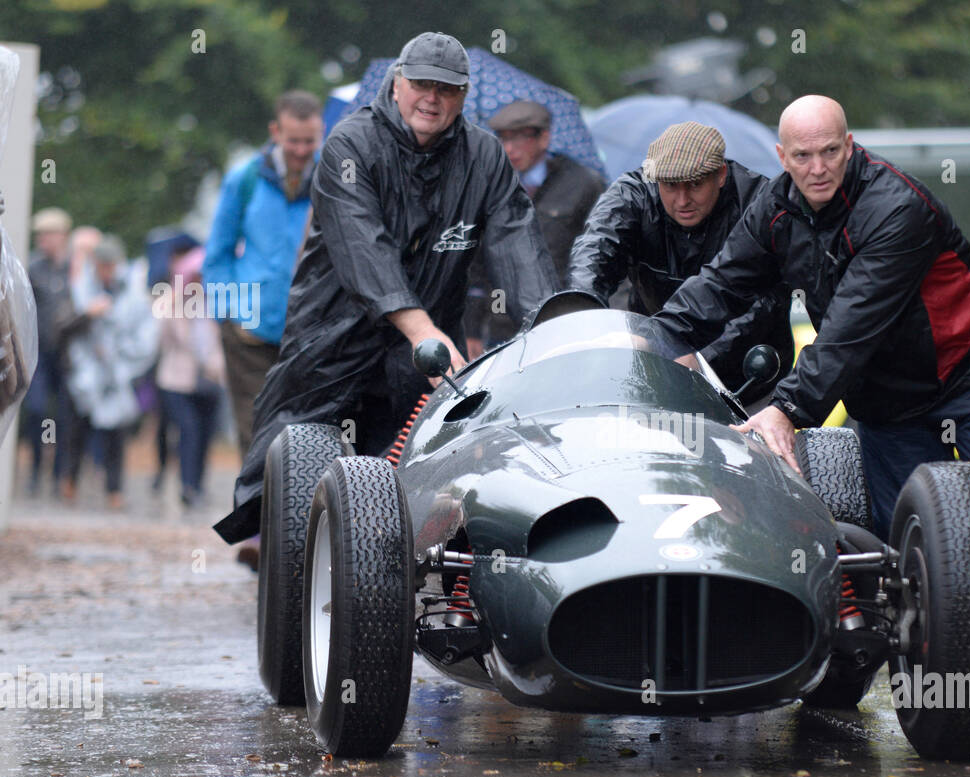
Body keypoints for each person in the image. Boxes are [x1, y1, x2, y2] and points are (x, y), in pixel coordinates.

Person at [654, 95, 970, 721]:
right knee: (900, 543)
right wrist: (649, 341)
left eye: (830, 151)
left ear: (850, 145)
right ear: (782, 158)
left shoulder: (897, 207)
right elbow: (717, 286)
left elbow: (850, 329)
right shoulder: (774, 209)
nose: (818, 166)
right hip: (888, 401)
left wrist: (787, 408)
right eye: (802, 155)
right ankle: (877, 666)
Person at [214, 31, 557, 548]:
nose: (431, 98)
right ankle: (296, 596)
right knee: (293, 492)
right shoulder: (350, 145)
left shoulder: (484, 155)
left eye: (446, 89)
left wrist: (555, 327)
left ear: (464, 96)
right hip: (333, 338)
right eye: (420, 83)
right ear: (397, 84)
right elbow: (363, 250)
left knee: (413, 494)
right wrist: (422, 329)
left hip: (424, 355)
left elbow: (518, 243)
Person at [567, 121, 794, 398]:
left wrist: (701, 358)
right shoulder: (633, 195)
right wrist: (580, 316)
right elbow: (595, 253)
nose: (683, 200)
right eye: (671, 186)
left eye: (695, 184)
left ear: (720, 175)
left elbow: (764, 302)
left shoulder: (758, 202)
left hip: (751, 375)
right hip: (650, 367)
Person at [204, 90, 323, 464]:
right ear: (275, 131)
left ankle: (295, 516)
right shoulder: (246, 179)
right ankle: (255, 519)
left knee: (304, 430)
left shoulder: (332, 177)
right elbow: (218, 253)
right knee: (255, 429)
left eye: (309, 141)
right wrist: (229, 310)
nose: (302, 150)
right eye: (293, 140)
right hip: (249, 330)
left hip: (307, 329)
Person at [463, 100, 605, 358]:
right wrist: (472, 326)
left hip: (563, 320)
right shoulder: (491, 186)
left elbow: (601, 252)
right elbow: (478, 264)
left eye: (519, 139)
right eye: (503, 139)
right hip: (502, 322)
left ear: (544, 138)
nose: (509, 149)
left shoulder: (583, 184)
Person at [62, 235, 158, 509]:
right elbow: (62, 328)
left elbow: (145, 335)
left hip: (118, 373)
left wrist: (121, 353)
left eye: (110, 265)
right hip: (85, 372)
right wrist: (88, 315)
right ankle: (70, 479)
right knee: (77, 428)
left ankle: (114, 489)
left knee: (115, 434)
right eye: (101, 265)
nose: (106, 270)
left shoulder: (133, 294)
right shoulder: (80, 289)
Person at [155, 246, 225, 507]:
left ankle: (198, 484)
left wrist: (215, 364)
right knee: (188, 430)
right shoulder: (174, 306)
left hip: (210, 380)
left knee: (206, 433)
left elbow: (223, 344)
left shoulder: (218, 305)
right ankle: (186, 486)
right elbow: (159, 339)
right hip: (177, 381)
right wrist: (172, 302)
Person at [20, 207, 75, 494]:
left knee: (65, 415)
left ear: (62, 236)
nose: (43, 240)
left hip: (67, 354)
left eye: (48, 234)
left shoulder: (76, 269)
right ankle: (35, 470)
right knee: (38, 410)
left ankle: (58, 475)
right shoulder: (34, 267)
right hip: (40, 350)